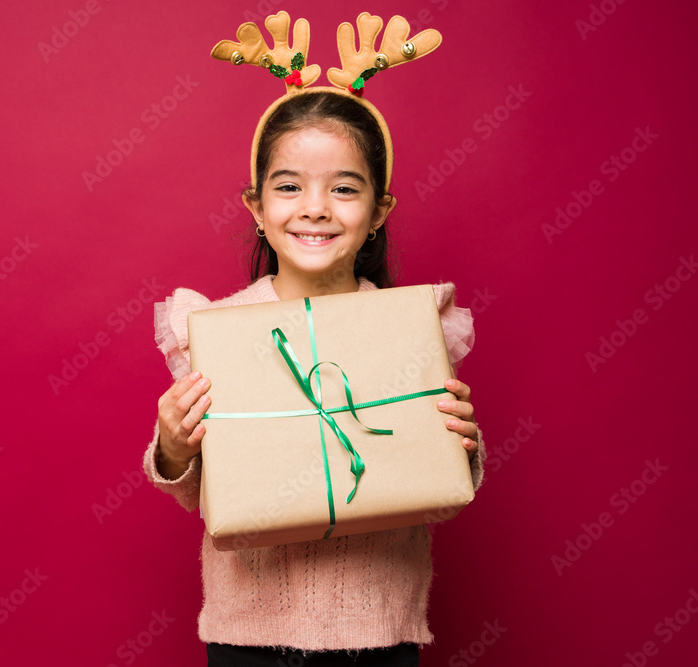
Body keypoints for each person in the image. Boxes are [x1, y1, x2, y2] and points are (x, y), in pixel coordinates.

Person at [142, 13, 486, 666]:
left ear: (379, 210)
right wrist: (173, 444)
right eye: (290, 187)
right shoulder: (217, 330)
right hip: (249, 636)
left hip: (379, 633)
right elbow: (197, 491)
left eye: (345, 189)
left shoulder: (411, 328)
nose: (316, 207)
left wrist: (462, 446)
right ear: (256, 207)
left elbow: (436, 496)